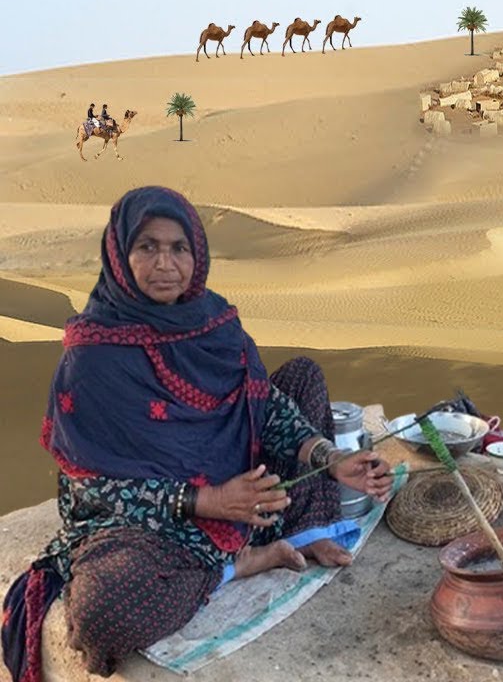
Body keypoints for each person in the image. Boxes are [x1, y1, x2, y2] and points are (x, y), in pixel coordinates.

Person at [2, 186, 392, 680]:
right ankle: (242, 563)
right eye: (147, 247)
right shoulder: (91, 356)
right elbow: (91, 488)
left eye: (179, 248)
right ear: (120, 255)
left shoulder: (215, 324)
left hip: (243, 494)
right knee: (103, 613)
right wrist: (207, 501)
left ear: (198, 255)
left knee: (302, 377)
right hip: (156, 524)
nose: (165, 263)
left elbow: (266, 405)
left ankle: (300, 531)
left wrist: (328, 458)